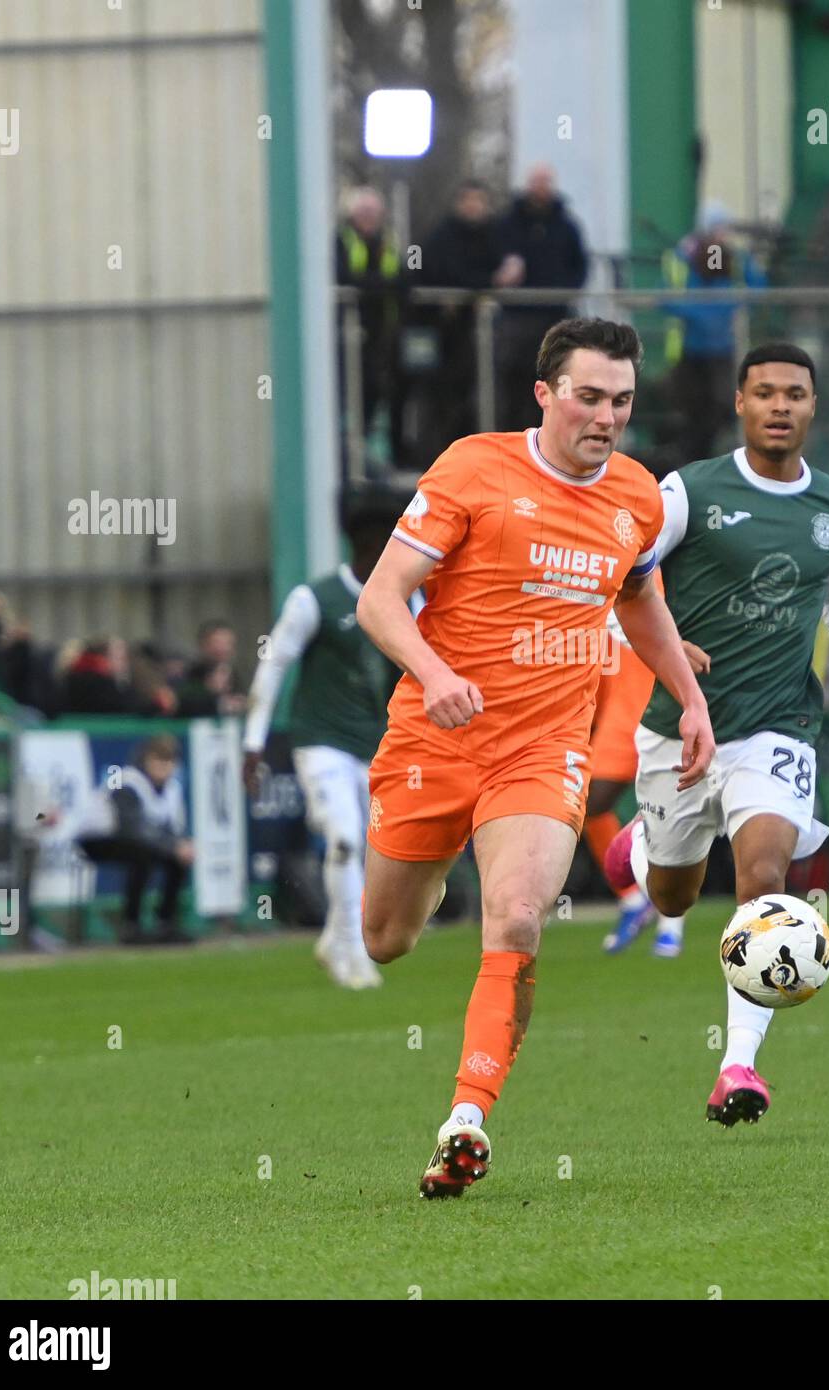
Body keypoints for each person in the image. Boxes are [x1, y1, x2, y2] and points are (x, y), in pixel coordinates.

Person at [355, 316, 714, 1197]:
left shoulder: (635, 497)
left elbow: (638, 601)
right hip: (432, 739)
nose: (605, 417)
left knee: (517, 915)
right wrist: (433, 672)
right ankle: (437, 865)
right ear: (544, 394)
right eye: (588, 397)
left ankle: (465, 1118)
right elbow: (381, 599)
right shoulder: (472, 468)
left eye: (621, 402)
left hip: (544, 748)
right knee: (387, 937)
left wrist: (691, 696)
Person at [601, 343, 829, 1129]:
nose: (780, 406)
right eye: (764, 393)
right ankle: (648, 847)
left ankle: (737, 1067)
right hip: (679, 728)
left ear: (813, 406)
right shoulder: (689, 491)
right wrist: (656, 648)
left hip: (779, 724)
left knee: (761, 879)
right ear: (739, 403)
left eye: (794, 393)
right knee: (672, 895)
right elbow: (620, 580)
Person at [242, 516, 407, 990]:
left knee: (373, 853)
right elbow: (274, 664)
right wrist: (254, 741)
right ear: (371, 545)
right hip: (321, 743)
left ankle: (334, 938)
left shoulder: (403, 597)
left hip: (375, 744)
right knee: (344, 840)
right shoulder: (315, 598)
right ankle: (352, 954)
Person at [582, 570, 694, 958]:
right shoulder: (601, 568)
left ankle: (671, 922)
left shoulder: (668, 569)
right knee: (587, 804)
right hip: (621, 713)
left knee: (668, 814)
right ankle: (632, 900)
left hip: (665, 709)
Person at [421, 181, 523, 452]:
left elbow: (512, 270)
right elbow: (443, 272)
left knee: (490, 393)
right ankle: (441, 451)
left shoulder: (496, 234)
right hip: (450, 332)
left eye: (478, 200)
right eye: (468, 200)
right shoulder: (443, 235)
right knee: (447, 395)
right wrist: (489, 282)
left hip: (489, 330)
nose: (473, 206)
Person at [662, 201, 768, 464]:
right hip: (689, 350)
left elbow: (758, 289)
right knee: (692, 413)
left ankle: (718, 461)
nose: (721, 236)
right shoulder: (682, 258)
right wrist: (703, 315)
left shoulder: (735, 259)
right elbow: (665, 295)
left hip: (723, 350)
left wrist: (726, 311)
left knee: (724, 407)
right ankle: (692, 465)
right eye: (716, 229)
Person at [495, 164, 588, 430]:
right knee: (514, 382)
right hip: (517, 318)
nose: (540, 188)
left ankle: (550, 437)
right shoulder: (508, 224)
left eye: (545, 181)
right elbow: (495, 259)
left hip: (555, 317)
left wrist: (566, 291)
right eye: (536, 182)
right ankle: (513, 439)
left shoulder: (566, 226)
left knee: (554, 378)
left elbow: (579, 265)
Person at [76, 734, 194, 945]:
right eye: (158, 760)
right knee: (143, 856)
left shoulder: (172, 789)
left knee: (177, 859)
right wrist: (172, 846)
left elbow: (172, 829)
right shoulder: (128, 781)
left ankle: (166, 924)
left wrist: (180, 846)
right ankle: (131, 926)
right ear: (146, 760)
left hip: (136, 840)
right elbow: (131, 828)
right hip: (97, 838)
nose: (163, 767)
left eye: (168, 761)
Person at [335, 186, 409, 469]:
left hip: (380, 332)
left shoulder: (388, 243)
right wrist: (378, 285)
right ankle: (346, 455)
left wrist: (372, 284)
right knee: (346, 390)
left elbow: (403, 281)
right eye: (364, 213)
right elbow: (345, 278)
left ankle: (367, 451)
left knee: (376, 391)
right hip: (346, 332)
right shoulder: (341, 240)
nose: (369, 219)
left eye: (374, 213)